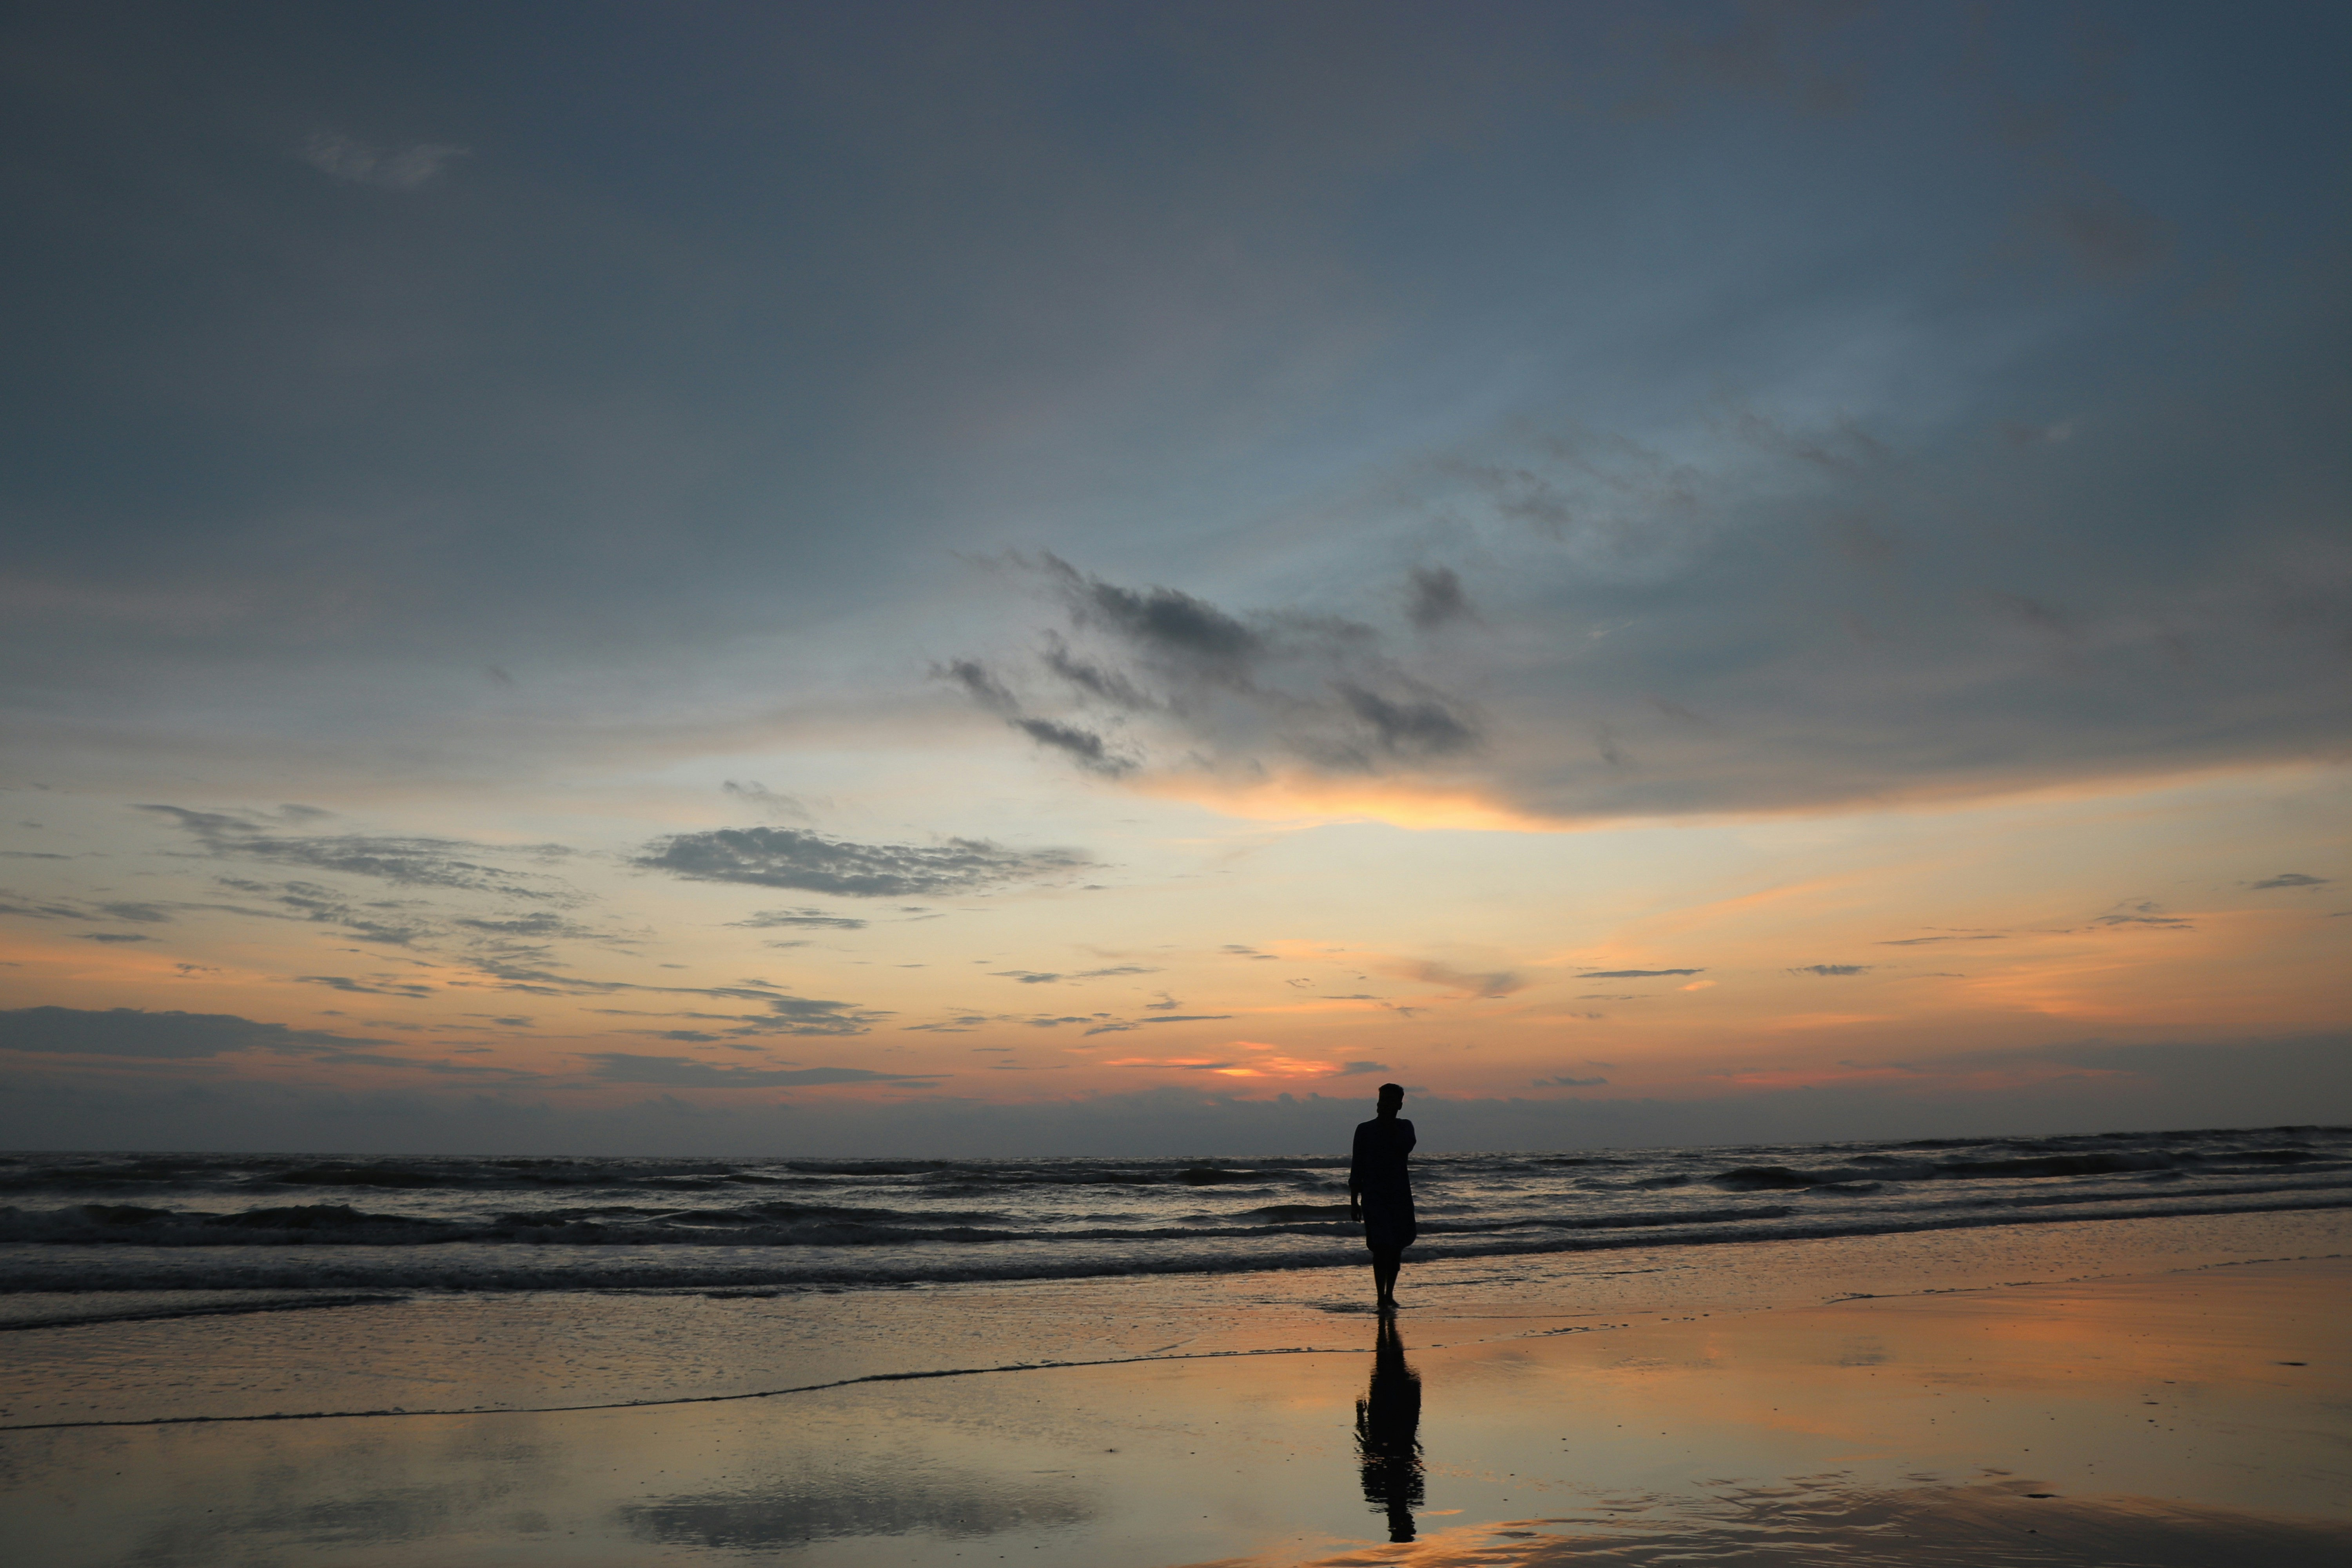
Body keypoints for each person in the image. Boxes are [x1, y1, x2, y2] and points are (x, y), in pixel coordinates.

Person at [1347, 1082, 1416, 1311]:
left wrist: (1390, 1125)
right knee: (1380, 1246)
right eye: (1381, 1101)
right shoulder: (1364, 1130)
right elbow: (1357, 1166)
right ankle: (1380, 1296)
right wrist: (1354, 1201)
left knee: (1396, 1247)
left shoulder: (1405, 1127)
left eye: (1388, 1101)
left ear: (1399, 1105)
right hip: (1374, 1195)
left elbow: (1406, 1146)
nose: (1383, 1105)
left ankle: (1389, 1294)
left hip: (1399, 1195)